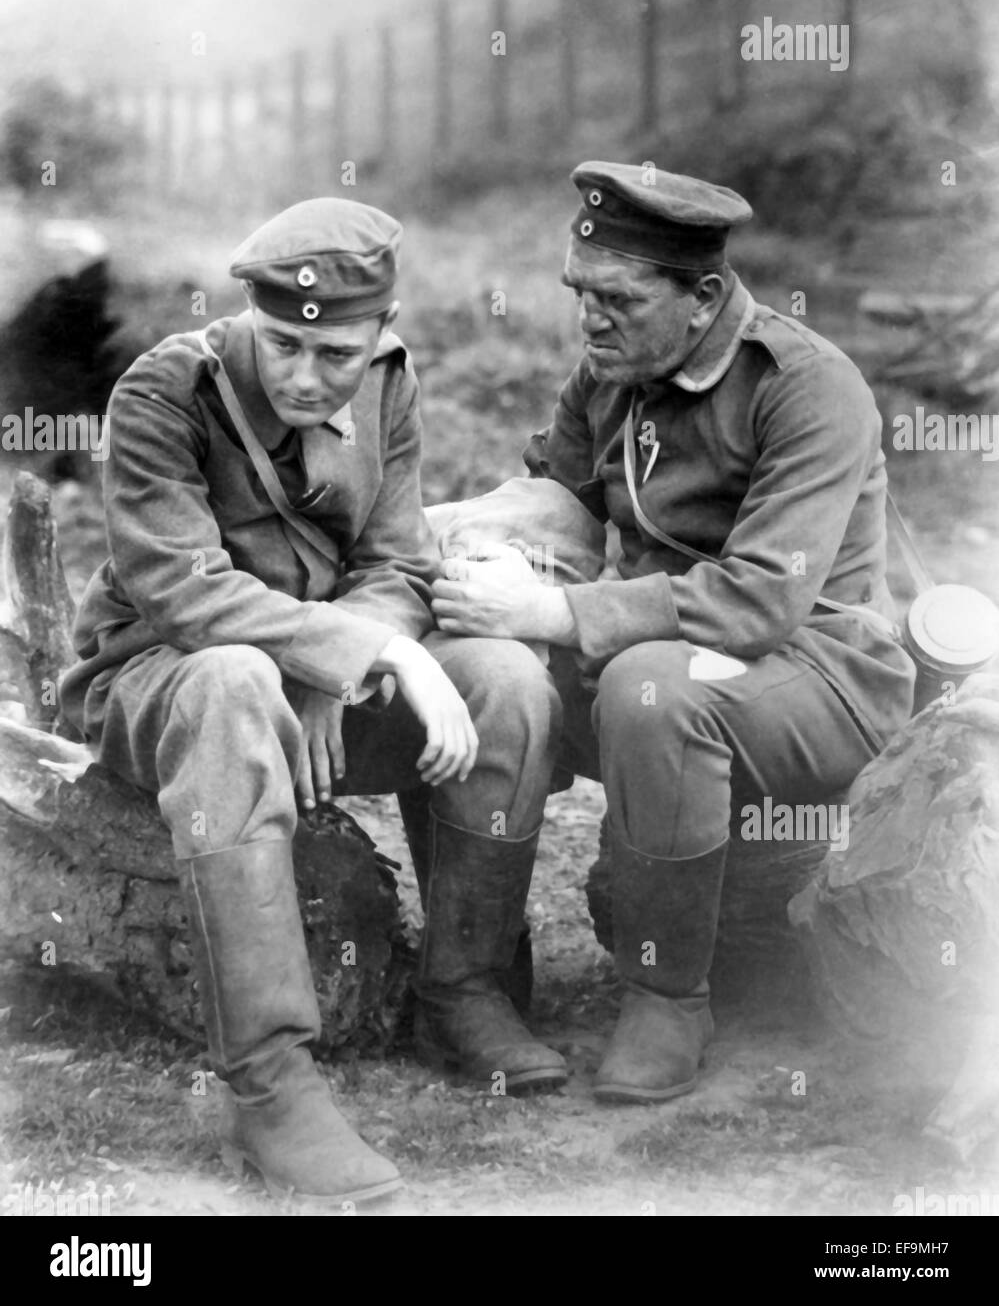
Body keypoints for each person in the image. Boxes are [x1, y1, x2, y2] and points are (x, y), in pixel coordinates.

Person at [59, 197, 564, 1207]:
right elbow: (183, 590)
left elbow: (394, 558)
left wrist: (347, 671)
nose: (304, 374)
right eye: (282, 344)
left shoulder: (389, 384)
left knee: (503, 676)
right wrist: (356, 652)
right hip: (167, 684)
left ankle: (459, 988)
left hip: (304, 684)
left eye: (333, 352)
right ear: (249, 316)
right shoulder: (168, 390)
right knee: (240, 680)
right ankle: (270, 1084)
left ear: (377, 333)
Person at [432, 161, 916, 1104]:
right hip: (664, 662)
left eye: (617, 299)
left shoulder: (807, 387)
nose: (590, 321)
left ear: (702, 298)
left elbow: (762, 598)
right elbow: (559, 508)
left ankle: (666, 997)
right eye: (580, 295)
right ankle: (471, 980)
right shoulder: (611, 376)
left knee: (647, 687)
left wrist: (557, 612)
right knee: (492, 673)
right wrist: (459, 546)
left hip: (819, 672)